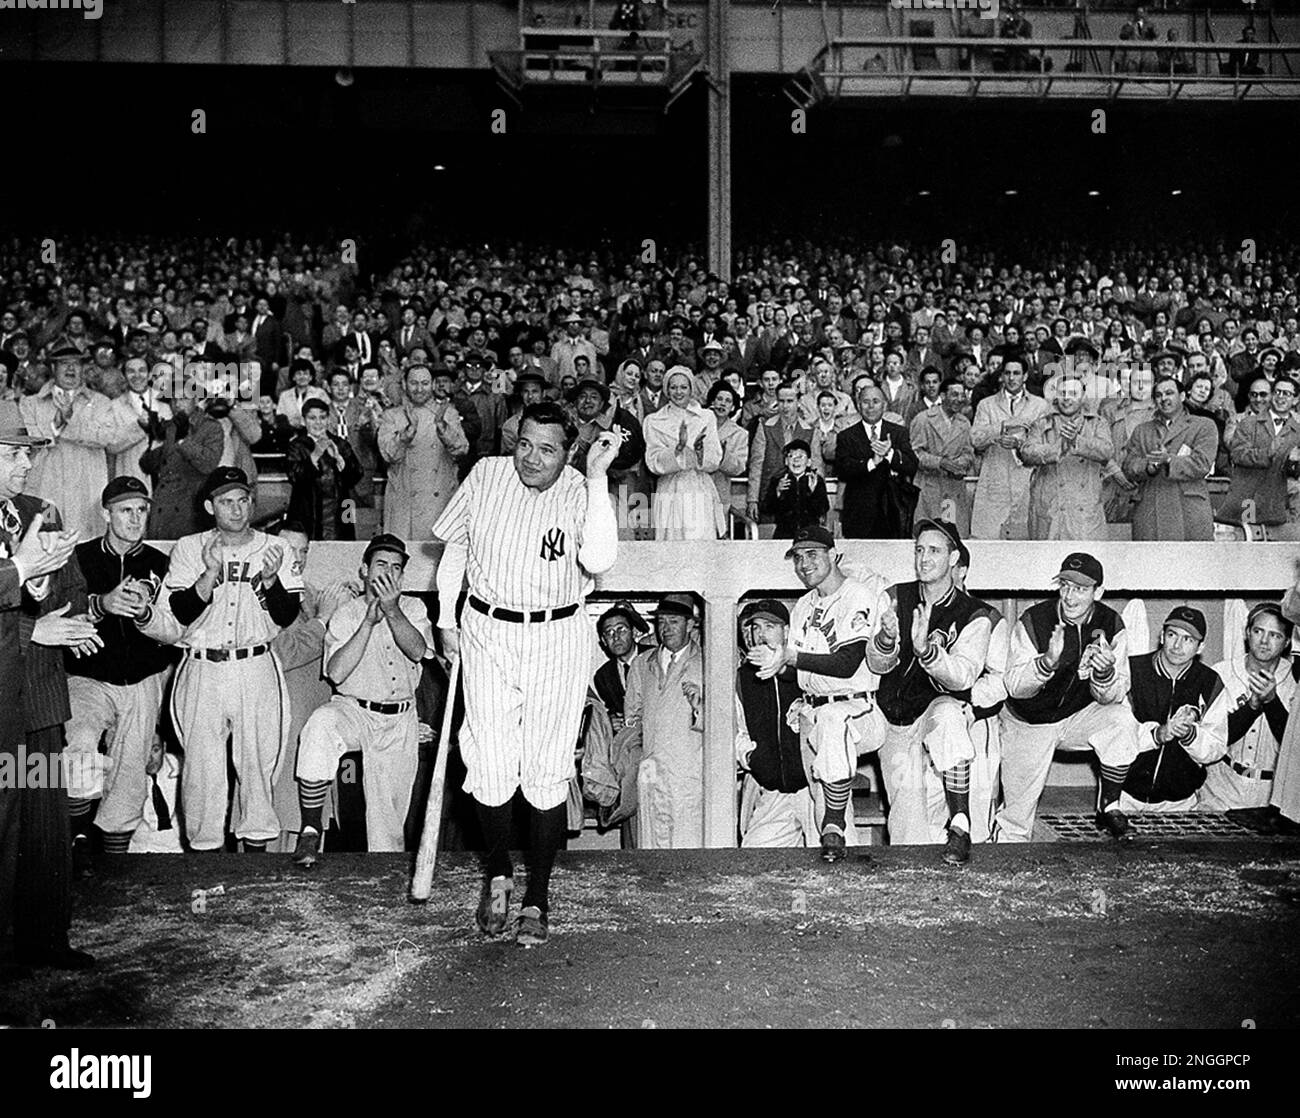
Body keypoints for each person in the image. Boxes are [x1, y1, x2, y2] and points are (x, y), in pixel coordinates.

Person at [431, 402, 620, 948]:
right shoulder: (488, 474)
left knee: (545, 768)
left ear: (570, 452)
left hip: (557, 635)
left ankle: (538, 893)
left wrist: (601, 478)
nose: (532, 458)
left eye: (548, 449)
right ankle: (497, 873)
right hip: (487, 630)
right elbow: (455, 550)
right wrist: (446, 620)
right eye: (525, 444)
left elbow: (602, 558)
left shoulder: (583, 489)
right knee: (487, 763)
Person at [0, 409, 96, 971]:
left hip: (38, 691)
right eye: (13, 453)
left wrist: (70, 616)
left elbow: (74, 584)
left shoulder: (41, 513)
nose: (27, 462)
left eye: (28, 452)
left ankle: (46, 938)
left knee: (44, 823)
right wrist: (35, 624)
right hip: (5, 689)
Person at [163, 467, 303, 852]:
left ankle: (254, 863)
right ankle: (205, 859)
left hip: (255, 664)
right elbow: (180, 611)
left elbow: (286, 615)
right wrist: (209, 573)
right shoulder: (190, 547)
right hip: (203, 665)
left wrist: (272, 582)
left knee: (257, 767)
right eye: (227, 502)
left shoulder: (276, 547)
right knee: (202, 772)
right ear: (210, 506)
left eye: (243, 500)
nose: (237, 509)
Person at [748, 526, 892, 861]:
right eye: (798, 557)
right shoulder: (802, 606)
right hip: (811, 711)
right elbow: (795, 670)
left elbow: (847, 663)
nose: (804, 564)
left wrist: (789, 657)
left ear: (833, 554)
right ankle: (838, 872)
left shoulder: (857, 595)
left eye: (812, 554)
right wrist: (775, 662)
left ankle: (834, 828)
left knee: (832, 724)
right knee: (821, 804)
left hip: (856, 709)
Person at [293, 534, 432, 865]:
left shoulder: (413, 607)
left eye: (396, 568)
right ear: (364, 570)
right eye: (380, 565)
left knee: (388, 832)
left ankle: (382, 896)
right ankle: (310, 831)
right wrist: (368, 622)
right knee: (320, 725)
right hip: (354, 711)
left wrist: (392, 609)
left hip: (399, 719)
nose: (388, 573)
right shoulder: (347, 612)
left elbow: (418, 650)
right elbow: (337, 672)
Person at [63, 477, 181, 859]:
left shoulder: (160, 564)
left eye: (142, 510)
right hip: (87, 677)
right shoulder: (78, 558)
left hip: (142, 682)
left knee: (129, 779)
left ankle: (114, 868)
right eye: (125, 510)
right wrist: (100, 604)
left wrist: (159, 723)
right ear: (106, 513)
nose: (135, 519)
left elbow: (172, 636)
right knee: (78, 746)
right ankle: (75, 843)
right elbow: (54, 615)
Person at [872, 519, 996, 863]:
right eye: (920, 550)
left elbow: (963, 676)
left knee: (948, 715)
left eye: (935, 551)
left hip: (932, 709)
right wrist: (885, 642)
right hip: (894, 720)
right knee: (906, 827)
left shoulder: (975, 614)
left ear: (954, 558)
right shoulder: (895, 596)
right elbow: (875, 664)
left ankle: (960, 822)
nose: (924, 558)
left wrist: (927, 650)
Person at [996, 552, 1139, 842]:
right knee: (1016, 818)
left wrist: (1104, 675)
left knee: (1122, 719)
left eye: (1081, 589)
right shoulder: (1035, 620)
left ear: (1098, 592)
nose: (1070, 597)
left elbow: (1114, 695)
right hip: (1029, 722)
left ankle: (1108, 804)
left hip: (1075, 716)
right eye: (1065, 586)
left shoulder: (1112, 624)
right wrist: (1046, 663)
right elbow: (1013, 686)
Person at [19, 350, 144, 540]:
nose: (70, 368)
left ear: (83, 368)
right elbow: (31, 442)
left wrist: (71, 421)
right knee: (46, 541)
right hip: (46, 492)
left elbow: (107, 437)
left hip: (87, 493)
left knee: (87, 548)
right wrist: (57, 423)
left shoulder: (100, 402)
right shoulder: (30, 403)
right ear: (53, 368)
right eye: (64, 363)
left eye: (76, 364)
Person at [615, 594, 706, 849]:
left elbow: (721, 723)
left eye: (673, 622)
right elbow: (632, 718)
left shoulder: (708, 663)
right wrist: (632, 756)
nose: (665, 629)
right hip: (651, 773)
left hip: (689, 774)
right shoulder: (643, 664)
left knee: (688, 850)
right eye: (661, 622)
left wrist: (700, 709)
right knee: (651, 850)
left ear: (690, 625)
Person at [1121, 607, 1229, 814]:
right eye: (1172, 635)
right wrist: (1158, 734)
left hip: (1180, 801)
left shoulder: (1210, 682)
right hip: (1124, 795)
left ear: (1200, 647)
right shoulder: (1132, 671)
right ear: (1162, 636)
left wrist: (1190, 735)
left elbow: (1217, 746)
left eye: (1188, 639)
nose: (1177, 646)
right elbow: (1113, 734)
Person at [735, 598, 817, 848]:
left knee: (832, 862)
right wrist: (752, 759)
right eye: (756, 627)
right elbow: (737, 730)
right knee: (754, 855)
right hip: (773, 792)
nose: (760, 634)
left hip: (813, 788)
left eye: (769, 627)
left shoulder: (806, 669)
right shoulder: (743, 677)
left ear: (786, 631)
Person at [1200, 603, 1296, 815]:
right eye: (1258, 631)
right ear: (1247, 633)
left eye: (1275, 635)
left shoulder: (1294, 681)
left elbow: (1293, 746)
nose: (1264, 641)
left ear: (1287, 641)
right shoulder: (1220, 673)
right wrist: (1252, 706)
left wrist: (1271, 701)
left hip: (1270, 794)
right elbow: (1213, 737)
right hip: (1220, 788)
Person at [378, 364, 469, 539]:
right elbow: (388, 454)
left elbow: (461, 449)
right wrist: (406, 434)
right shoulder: (392, 416)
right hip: (404, 506)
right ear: (404, 384)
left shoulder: (448, 414)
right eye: (414, 383)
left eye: (425, 383)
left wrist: (443, 428)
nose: (419, 389)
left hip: (439, 502)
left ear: (433, 384)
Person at [1021, 372, 1114, 540]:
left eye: (1073, 393)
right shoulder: (1042, 423)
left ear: (1083, 396)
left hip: (1085, 513)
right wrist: (1059, 447)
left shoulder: (1097, 423)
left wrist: (1077, 441)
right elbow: (1027, 453)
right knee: (1046, 561)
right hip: (1050, 509)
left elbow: (1106, 451)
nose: (1067, 398)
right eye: (1063, 393)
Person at [1122, 375, 1217, 541]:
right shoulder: (1142, 430)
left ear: (1182, 396)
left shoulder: (1204, 425)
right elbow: (1129, 466)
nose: (1163, 398)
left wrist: (1168, 460)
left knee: (1191, 564)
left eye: (1169, 393)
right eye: (1158, 395)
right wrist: (1148, 467)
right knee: (1151, 564)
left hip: (1188, 512)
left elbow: (1202, 464)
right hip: (1150, 512)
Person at [969, 356, 1050, 540]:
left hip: (1027, 481)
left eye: (1016, 373)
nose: (1012, 378)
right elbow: (975, 439)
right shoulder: (987, 405)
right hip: (994, 481)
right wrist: (1003, 425)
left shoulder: (1040, 405)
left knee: (1025, 545)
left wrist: (1020, 444)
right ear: (1001, 377)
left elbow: (1045, 445)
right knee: (988, 542)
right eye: (1007, 373)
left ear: (1025, 376)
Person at [642, 367, 724, 540]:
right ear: (666, 389)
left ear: (691, 389)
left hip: (698, 487)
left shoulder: (707, 417)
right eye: (673, 387)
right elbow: (653, 461)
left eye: (683, 387)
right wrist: (678, 449)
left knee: (700, 545)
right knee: (672, 545)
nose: (678, 392)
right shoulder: (653, 421)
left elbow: (715, 458)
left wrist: (700, 453)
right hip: (670, 489)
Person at [837, 382, 919, 539]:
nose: (870, 407)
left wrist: (889, 454)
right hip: (858, 515)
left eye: (876, 401)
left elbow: (911, 465)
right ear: (858, 406)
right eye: (865, 402)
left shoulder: (898, 432)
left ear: (884, 405)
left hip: (893, 513)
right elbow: (842, 470)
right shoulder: (846, 436)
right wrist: (871, 463)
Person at [1219, 375, 1300, 531]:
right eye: (1277, 392)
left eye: (1287, 394)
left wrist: (1294, 465)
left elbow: (1294, 473)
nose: (1280, 397)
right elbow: (1237, 454)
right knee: (1247, 547)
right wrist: (1267, 453)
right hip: (1249, 499)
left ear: (1295, 400)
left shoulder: (1298, 432)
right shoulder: (1249, 423)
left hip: (1279, 504)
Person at [286, 398, 364, 541]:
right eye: (312, 418)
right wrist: (315, 454)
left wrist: (340, 459)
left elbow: (356, 475)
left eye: (322, 417)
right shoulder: (296, 446)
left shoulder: (340, 444)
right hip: (307, 511)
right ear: (304, 421)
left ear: (328, 419)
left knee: (343, 551)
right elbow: (294, 476)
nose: (318, 422)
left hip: (342, 508)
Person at [909, 377, 974, 537]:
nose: (959, 399)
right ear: (943, 396)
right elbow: (914, 453)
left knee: (951, 535)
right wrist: (941, 463)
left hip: (952, 490)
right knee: (928, 536)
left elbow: (969, 452)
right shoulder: (923, 419)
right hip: (929, 488)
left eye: (962, 395)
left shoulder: (964, 422)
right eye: (954, 395)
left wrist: (959, 464)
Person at [705, 381, 749, 536]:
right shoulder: (699, 425)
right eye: (719, 399)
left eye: (728, 401)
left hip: (719, 493)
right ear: (712, 401)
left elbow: (739, 467)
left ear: (733, 407)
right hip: (695, 490)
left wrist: (723, 454)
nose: (722, 404)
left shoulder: (739, 434)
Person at [763, 439, 829, 539]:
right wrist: (777, 492)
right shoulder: (778, 480)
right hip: (784, 534)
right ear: (786, 461)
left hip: (810, 534)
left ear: (809, 462)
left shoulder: (816, 480)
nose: (796, 460)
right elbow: (767, 509)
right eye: (791, 456)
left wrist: (813, 491)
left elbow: (823, 509)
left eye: (800, 457)